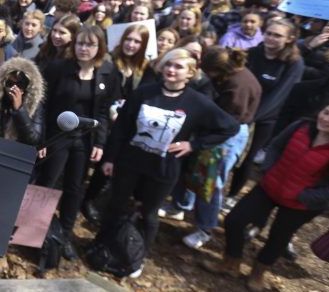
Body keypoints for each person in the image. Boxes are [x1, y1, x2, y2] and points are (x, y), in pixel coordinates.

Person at [99, 48, 238, 276]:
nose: (171, 70)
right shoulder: (144, 93)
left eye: (178, 67)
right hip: (130, 162)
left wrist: (193, 145)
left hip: (164, 168)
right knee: (116, 205)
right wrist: (110, 158)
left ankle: (136, 257)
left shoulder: (197, 102)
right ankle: (104, 245)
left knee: (149, 213)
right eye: (168, 65)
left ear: (190, 73)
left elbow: (229, 127)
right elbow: (122, 127)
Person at [203, 102, 329, 292]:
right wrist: (268, 169)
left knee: (278, 237)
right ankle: (230, 262)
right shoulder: (301, 126)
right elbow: (275, 146)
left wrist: (304, 195)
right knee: (234, 220)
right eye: (325, 112)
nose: (325, 119)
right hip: (270, 187)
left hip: (302, 204)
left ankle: (258, 272)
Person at [39, 25, 120, 254]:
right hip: (57, 137)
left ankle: (64, 235)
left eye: (90, 44)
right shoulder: (57, 69)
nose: (83, 49)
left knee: (74, 188)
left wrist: (100, 143)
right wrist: (42, 141)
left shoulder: (106, 71)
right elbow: (43, 105)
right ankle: (35, 231)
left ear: (100, 47)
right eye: (80, 43)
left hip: (84, 140)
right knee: (48, 182)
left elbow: (103, 112)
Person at [178, 46, 262, 249]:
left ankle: (205, 228)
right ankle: (185, 204)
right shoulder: (235, 74)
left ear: (219, 70)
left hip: (226, 136)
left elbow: (226, 123)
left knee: (211, 182)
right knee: (198, 174)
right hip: (221, 130)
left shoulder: (238, 87)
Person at [227, 18, 304, 205]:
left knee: (246, 158)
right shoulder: (253, 53)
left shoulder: (294, 63)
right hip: (238, 113)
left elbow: (279, 95)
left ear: (290, 39)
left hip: (263, 119)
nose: (270, 38)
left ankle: (232, 195)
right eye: (268, 33)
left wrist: (251, 118)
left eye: (277, 35)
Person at [0, 56, 45, 146]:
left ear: (27, 87)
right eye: (10, 83)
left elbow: (33, 140)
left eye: (20, 84)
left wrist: (19, 109)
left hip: (16, 153)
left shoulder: (35, 106)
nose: (13, 88)